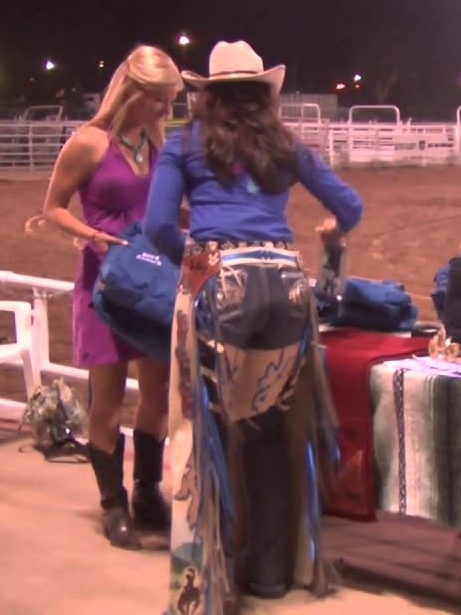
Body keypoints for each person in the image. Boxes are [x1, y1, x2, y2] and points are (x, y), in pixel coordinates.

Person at [144, 40, 363, 613]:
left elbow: (157, 225)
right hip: (287, 286)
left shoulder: (185, 143)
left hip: (224, 284)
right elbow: (351, 206)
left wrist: (198, 264)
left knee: (208, 430)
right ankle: (269, 573)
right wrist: (330, 235)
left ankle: (212, 583)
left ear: (207, 94)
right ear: (265, 94)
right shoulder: (286, 145)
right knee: (266, 432)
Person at [34, 44, 182, 549]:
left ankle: (146, 493)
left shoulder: (159, 144)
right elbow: (53, 207)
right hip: (105, 287)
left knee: (158, 393)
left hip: (153, 283)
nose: (166, 110)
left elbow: (162, 211)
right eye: (160, 99)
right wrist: (91, 234)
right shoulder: (89, 142)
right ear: (134, 93)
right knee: (108, 399)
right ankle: (112, 503)